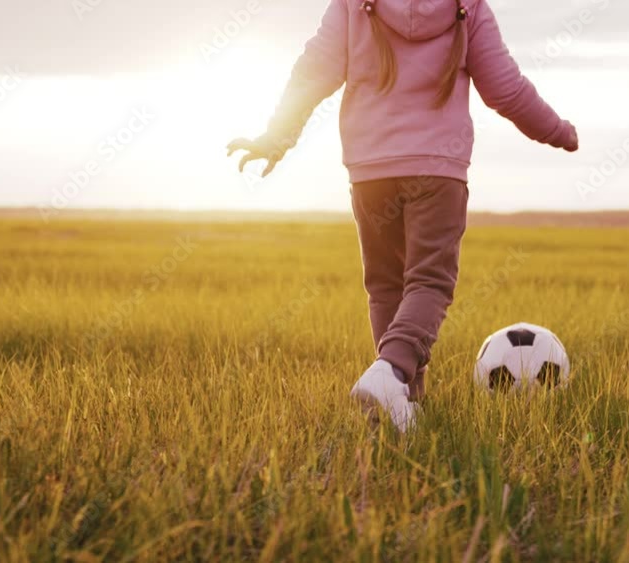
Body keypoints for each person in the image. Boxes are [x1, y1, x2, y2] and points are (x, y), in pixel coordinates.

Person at [228, 0, 578, 432]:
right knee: (429, 281)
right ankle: (391, 371)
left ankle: (405, 402)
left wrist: (276, 136)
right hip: (438, 169)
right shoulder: (467, 6)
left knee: (386, 286)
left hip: (371, 171)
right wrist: (558, 131)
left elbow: (313, 72)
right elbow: (506, 89)